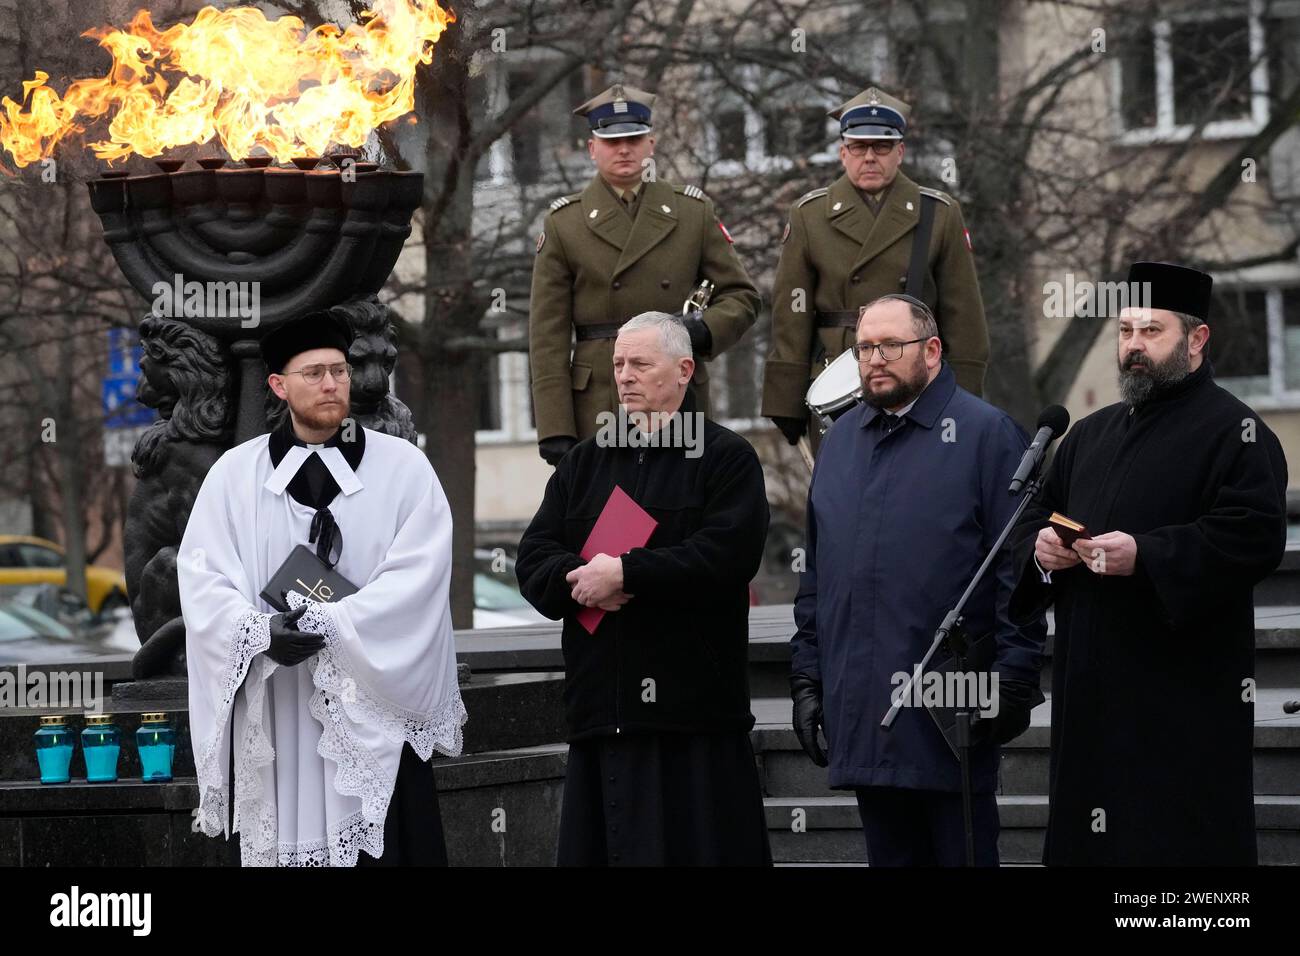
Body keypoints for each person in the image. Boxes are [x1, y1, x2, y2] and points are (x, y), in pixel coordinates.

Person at [1009, 261, 1288, 866]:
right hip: (1090, 696)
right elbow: (1039, 517)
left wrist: (1149, 555)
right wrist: (1044, 552)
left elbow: (1255, 536)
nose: (1133, 346)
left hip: (1183, 699)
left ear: (1196, 339)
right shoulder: (1088, 434)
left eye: (1151, 331)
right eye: (1125, 331)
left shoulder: (1236, 431)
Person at [179, 310, 467, 867]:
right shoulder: (235, 477)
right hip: (282, 706)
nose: (332, 383)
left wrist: (327, 625)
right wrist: (259, 634)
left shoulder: (404, 469)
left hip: (374, 710)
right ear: (279, 386)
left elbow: (421, 577)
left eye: (339, 370)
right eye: (313, 373)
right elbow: (202, 576)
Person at [789, 294, 1046, 865]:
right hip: (862, 713)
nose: (874, 359)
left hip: (951, 713)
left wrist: (1012, 682)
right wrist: (808, 678)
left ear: (931, 351)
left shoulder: (986, 435)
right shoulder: (839, 445)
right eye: (864, 348)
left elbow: (1017, 575)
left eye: (889, 346)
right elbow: (816, 580)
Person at [516, 310, 771, 865]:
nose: (624, 375)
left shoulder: (727, 457)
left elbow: (727, 557)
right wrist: (581, 582)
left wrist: (628, 572)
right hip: (601, 713)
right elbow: (533, 560)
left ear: (684, 370)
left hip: (693, 719)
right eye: (617, 364)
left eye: (640, 363)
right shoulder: (584, 462)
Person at [529, 83, 761, 464]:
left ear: (651, 144)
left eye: (634, 139)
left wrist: (700, 329)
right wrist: (555, 427)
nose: (624, 149)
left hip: (675, 387)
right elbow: (547, 337)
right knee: (612, 514)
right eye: (611, 140)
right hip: (601, 395)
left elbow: (743, 297)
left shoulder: (691, 212)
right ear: (592, 149)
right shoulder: (564, 224)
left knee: (680, 505)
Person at [761, 86, 988, 452]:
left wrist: (964, 398)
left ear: (900, 152)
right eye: (858, 147)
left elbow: (964, 316)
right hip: (839, 383)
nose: (869, 157)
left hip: (918, 382)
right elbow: (791, 315)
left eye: (881, 147)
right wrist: (786, 401)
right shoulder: (810, 215)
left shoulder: (937, 213)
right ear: (842, 153)